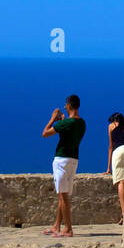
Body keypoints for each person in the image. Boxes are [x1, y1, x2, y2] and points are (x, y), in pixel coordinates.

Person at [42, 94, 86, 238]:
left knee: (63, 195)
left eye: (66, 105)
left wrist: (53, 119)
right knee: (64, 193)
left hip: (61, 160)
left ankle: (68, 229)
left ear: (69, 106)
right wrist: (62, 121)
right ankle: (56, 226)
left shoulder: (66, 123)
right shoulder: (82, 123)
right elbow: (68, 132)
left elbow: (45, 133)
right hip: (74, 160)